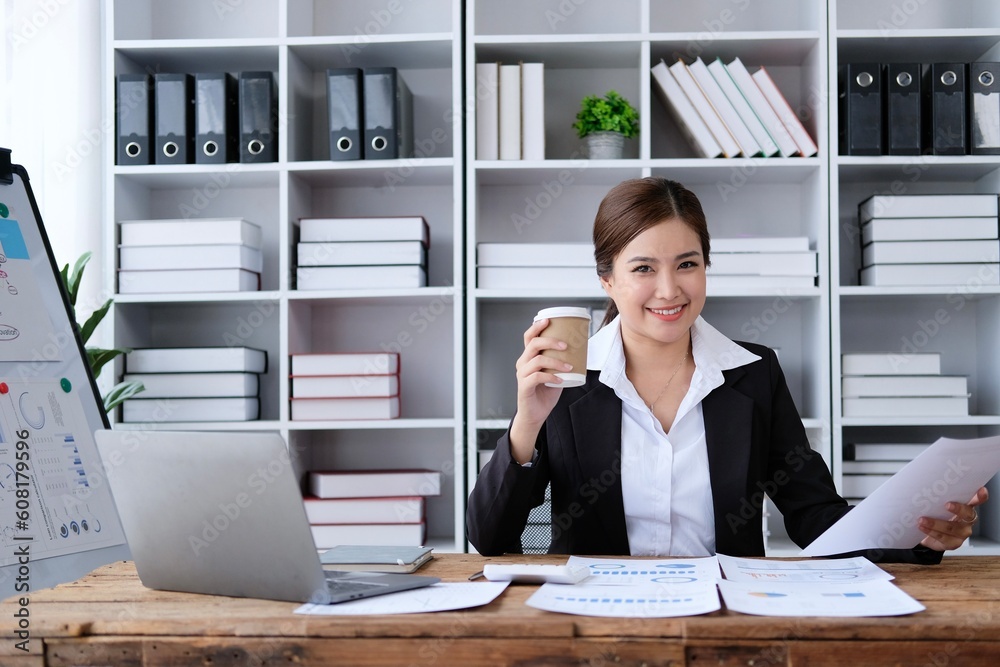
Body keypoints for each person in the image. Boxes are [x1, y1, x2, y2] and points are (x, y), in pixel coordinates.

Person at [467, 176, 987, 562]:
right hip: (600, 620)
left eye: (687, 264)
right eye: (644, 268)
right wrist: (527, 424)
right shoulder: (567, 380)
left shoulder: (754, 373)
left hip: (727, 618)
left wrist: (919, 535)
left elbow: (814, 516)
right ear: (607, 279)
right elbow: (491, 539)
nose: (670, 290)